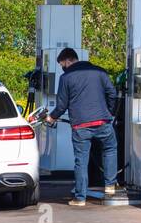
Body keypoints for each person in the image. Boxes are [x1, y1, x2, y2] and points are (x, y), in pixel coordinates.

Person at [45, 47, 119, 207]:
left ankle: (80, 198)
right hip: (103, 122)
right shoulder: (100, 72)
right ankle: (110, 187)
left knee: (81, 161)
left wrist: (52, 117)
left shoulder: (66, 78)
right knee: (110, 149)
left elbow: (62, 105)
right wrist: (109, 113)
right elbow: (112, 94)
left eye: (61, 64)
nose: (62, 68)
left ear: (67, 60)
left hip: (80, 126)